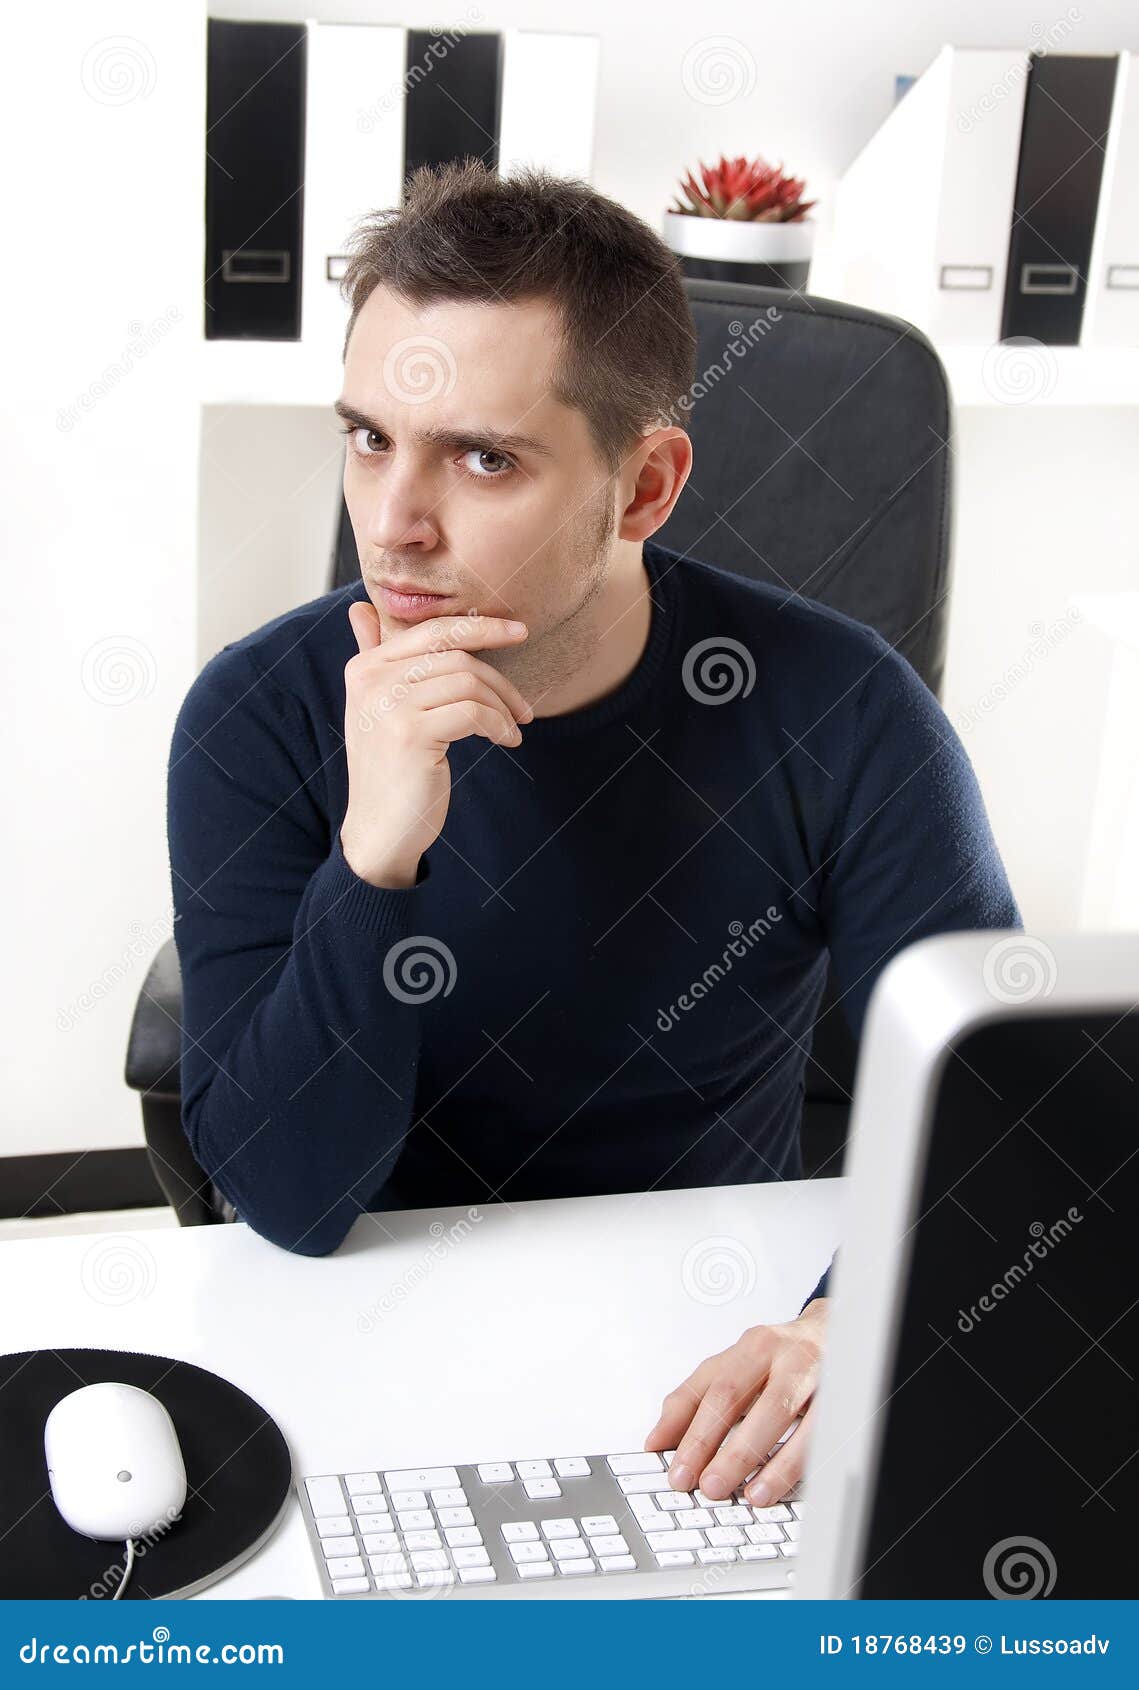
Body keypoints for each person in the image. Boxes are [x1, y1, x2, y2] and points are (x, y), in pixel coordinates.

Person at [167, 161, 1021, 1508]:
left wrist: (840, 1319)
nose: (390, 521)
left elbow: (1002, 1106)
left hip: (707, 1332)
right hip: (365, 1323)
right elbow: (286, 1192)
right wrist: (374, 855)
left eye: (483, 457)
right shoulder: (256, 715)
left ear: (645, 488)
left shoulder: (845, 712)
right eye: (371, 435)